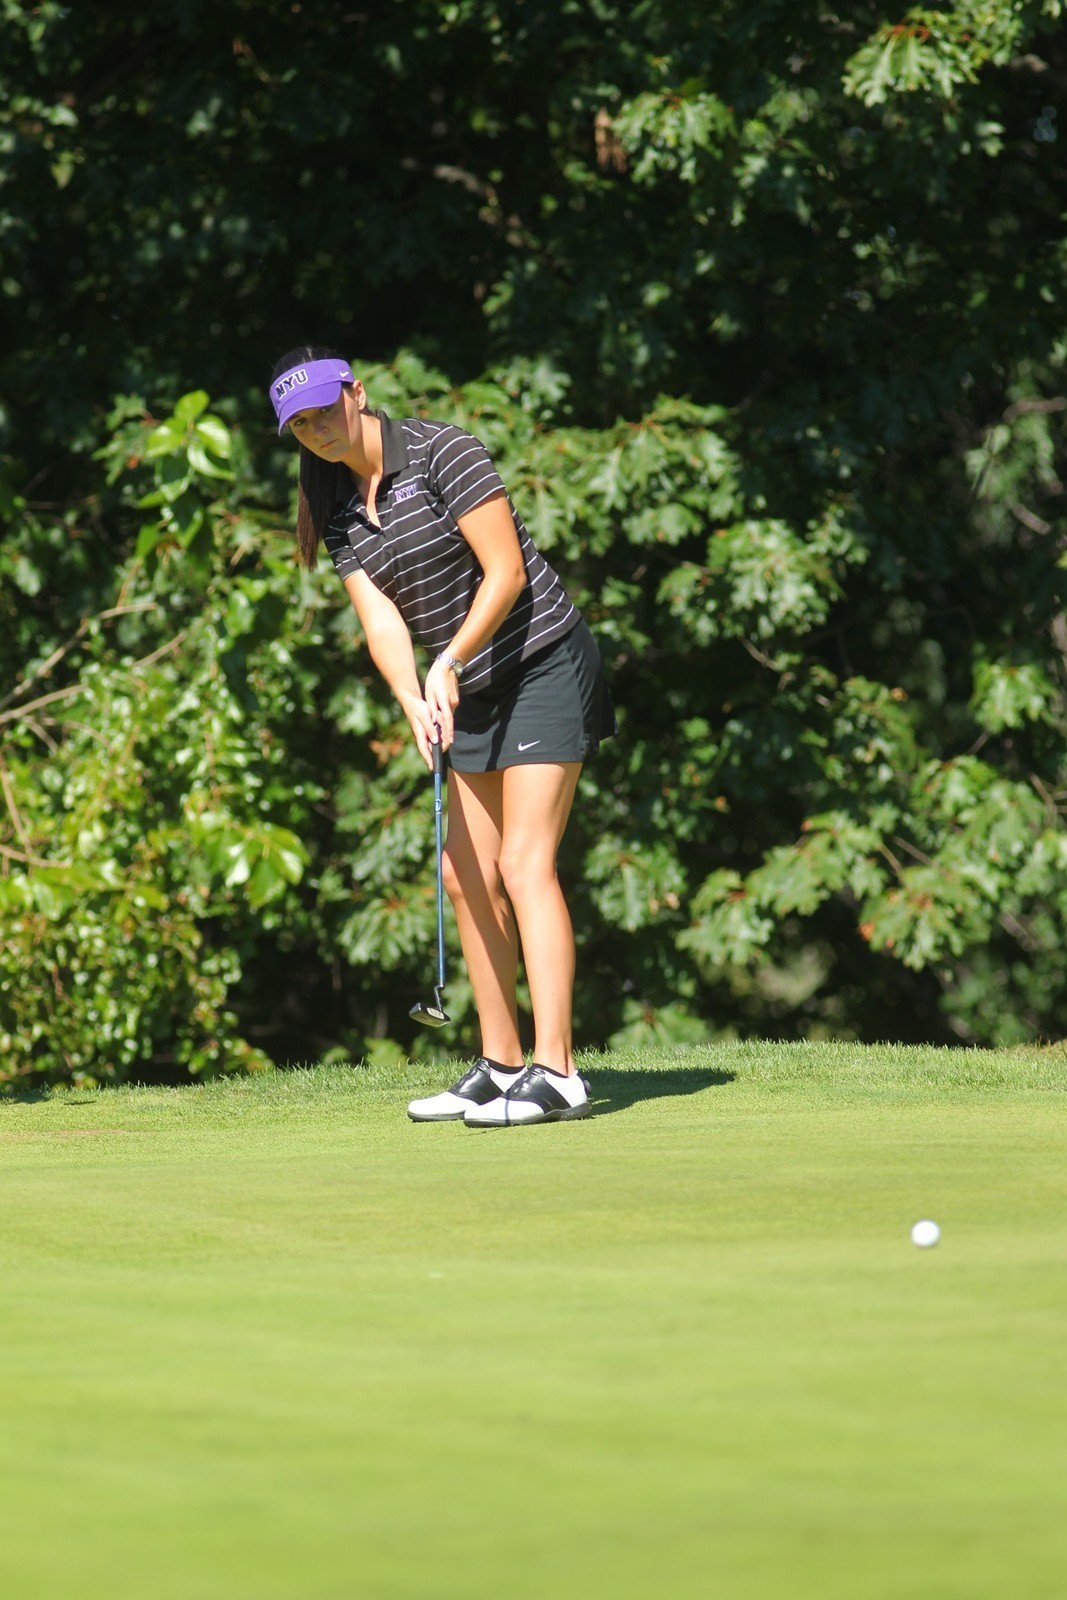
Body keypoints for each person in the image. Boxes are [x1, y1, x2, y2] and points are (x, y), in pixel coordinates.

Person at [269, 346, 616, 1128]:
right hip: (464, 687)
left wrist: (448, 660)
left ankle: (557, 1070)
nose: (317, 431)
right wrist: (408, 696)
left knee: (525, 863)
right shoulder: (333, 499)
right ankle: (499, 1063)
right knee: (463, 873)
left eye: (325, 411)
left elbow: (505, 573)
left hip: (540, 662)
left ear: (358, 394)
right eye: (299, 425)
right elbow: (379, 617)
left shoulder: (441, 451)